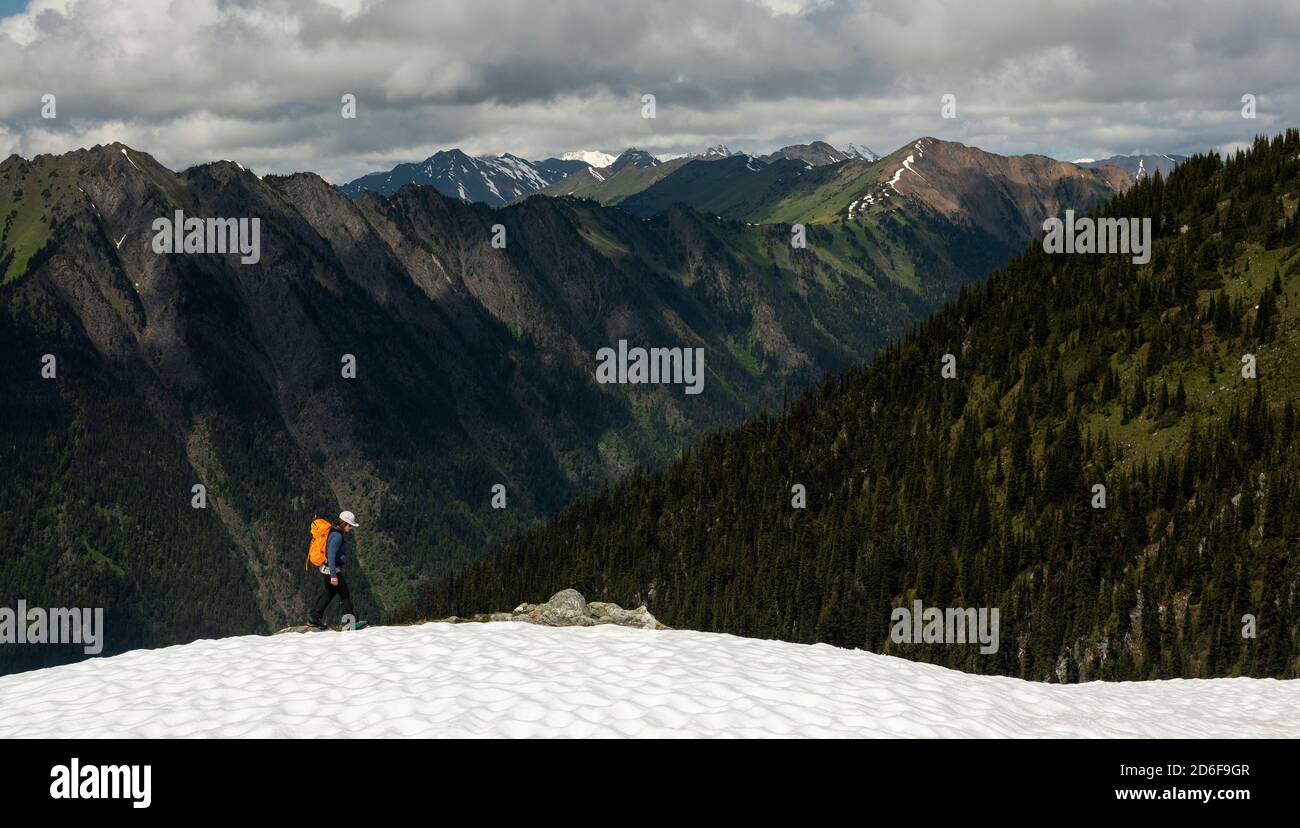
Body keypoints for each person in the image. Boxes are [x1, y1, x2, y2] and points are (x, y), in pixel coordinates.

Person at [307, 510, 368, 630]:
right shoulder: (337, 536)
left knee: (329, 593)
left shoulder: (332, 530)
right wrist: (334, 575)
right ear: (344, 523)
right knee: (345, 595)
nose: (350, 528)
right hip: (332, 570)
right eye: (350, 525)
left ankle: (314, 617)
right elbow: (331, 555)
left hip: (325, 569)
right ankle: (349, 624)